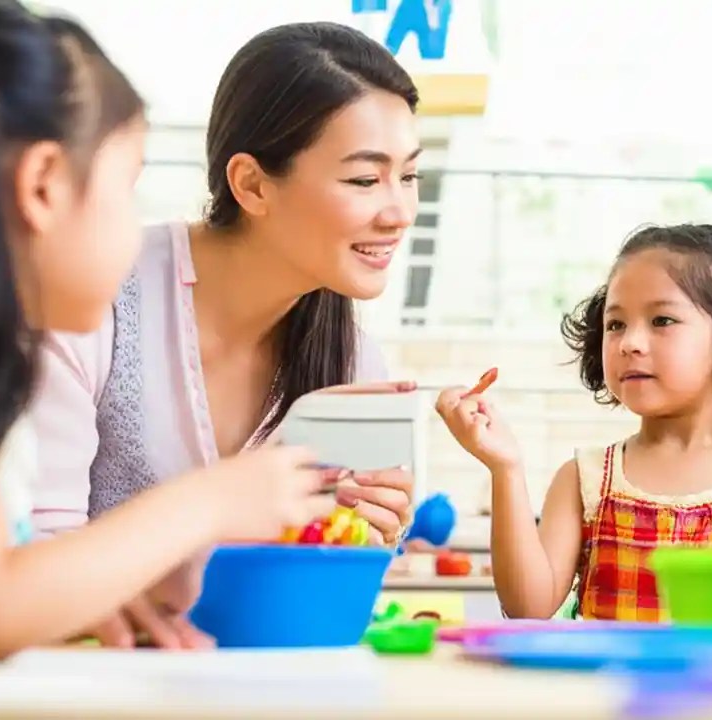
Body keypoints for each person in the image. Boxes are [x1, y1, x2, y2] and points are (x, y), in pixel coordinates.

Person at [0, 0, 329, 663]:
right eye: (125, 189)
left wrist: (78, 594)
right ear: (44, 186)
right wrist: (207, 502)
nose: (135, 227)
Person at [26, 21, 424, 649]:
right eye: (364, 179)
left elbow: (306, 607)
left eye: (410, 176)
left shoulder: (352, 366)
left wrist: (356, 543)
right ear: (252, 184)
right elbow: (27, 569)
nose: (400, 211)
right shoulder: (92, 301)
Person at [436, 224, 712, 621]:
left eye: (662, 320)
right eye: (616, 324)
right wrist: (505, 467)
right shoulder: (582, 479)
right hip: (604, 686)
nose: (629, 342)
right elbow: (526, 608)